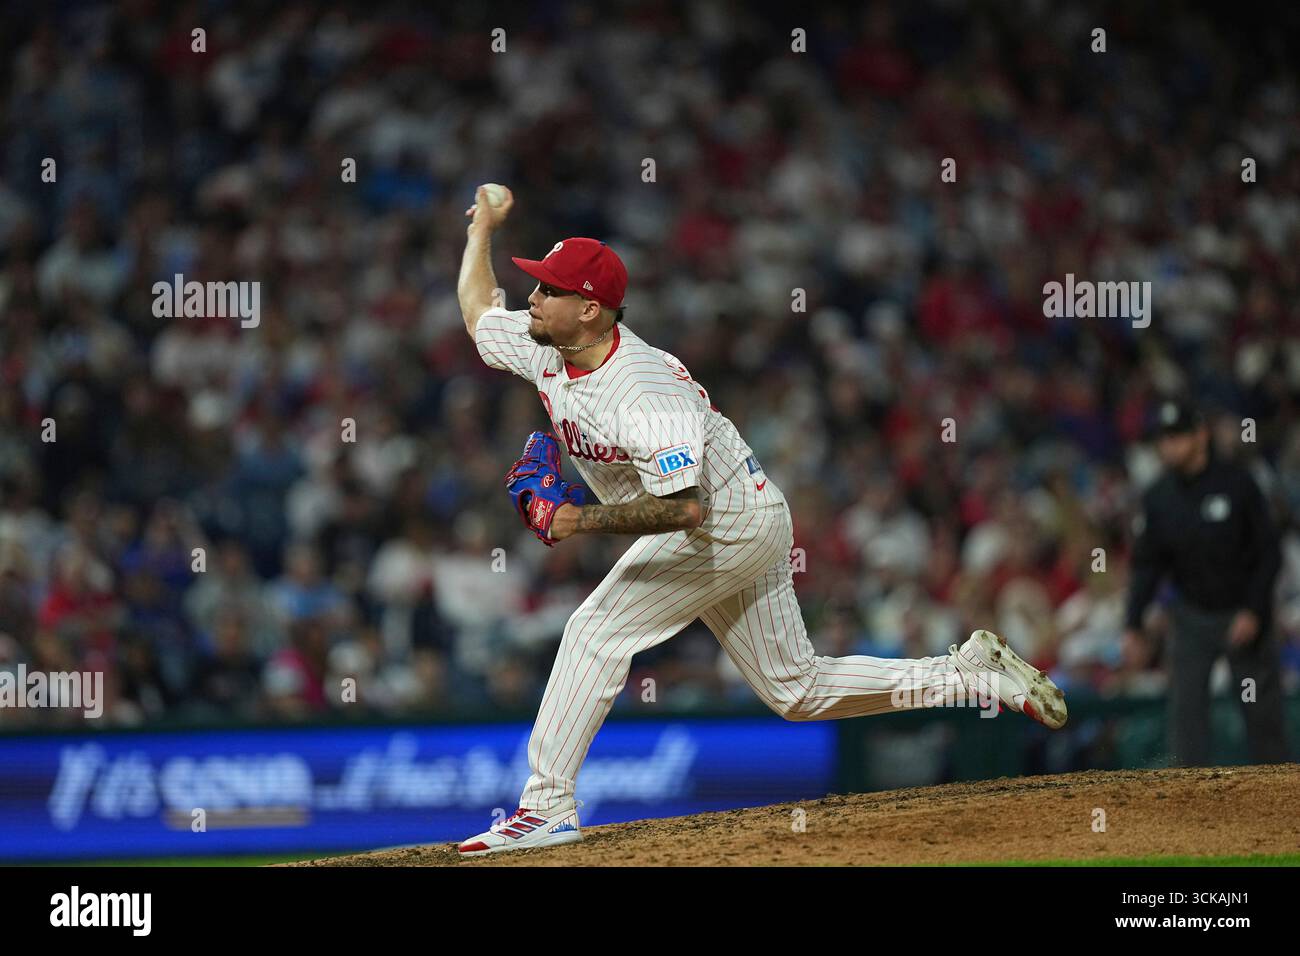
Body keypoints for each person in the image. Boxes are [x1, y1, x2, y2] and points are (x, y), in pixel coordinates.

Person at [452, 185, 1068, 856]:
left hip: (724, 522)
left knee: (595, 632)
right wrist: (481, 228)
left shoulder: (642, 392)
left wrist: (575, 523)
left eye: (547, 290)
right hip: (743, 512)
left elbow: (685, 508)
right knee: (795, 690)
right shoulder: (550, 343)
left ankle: (545, 808)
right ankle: (971, 675)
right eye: (536, 287)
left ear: (590, 309)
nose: (533, 300)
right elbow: (481, 309)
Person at [1124, 397, 1289, 767]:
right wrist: (1133, 623)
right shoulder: (1159, 497)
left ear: (1200, 435)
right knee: (1186, 714)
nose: (1169, 446)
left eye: (1177, 436)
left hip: (1242, 613)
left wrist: (1254, 609)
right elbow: (1148, 565)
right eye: (1163, 438)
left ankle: (1279, 804)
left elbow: (1269, 553)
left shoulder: (1237, 483)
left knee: (1260, 713)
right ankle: (1189, 807)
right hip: (1192, 615)